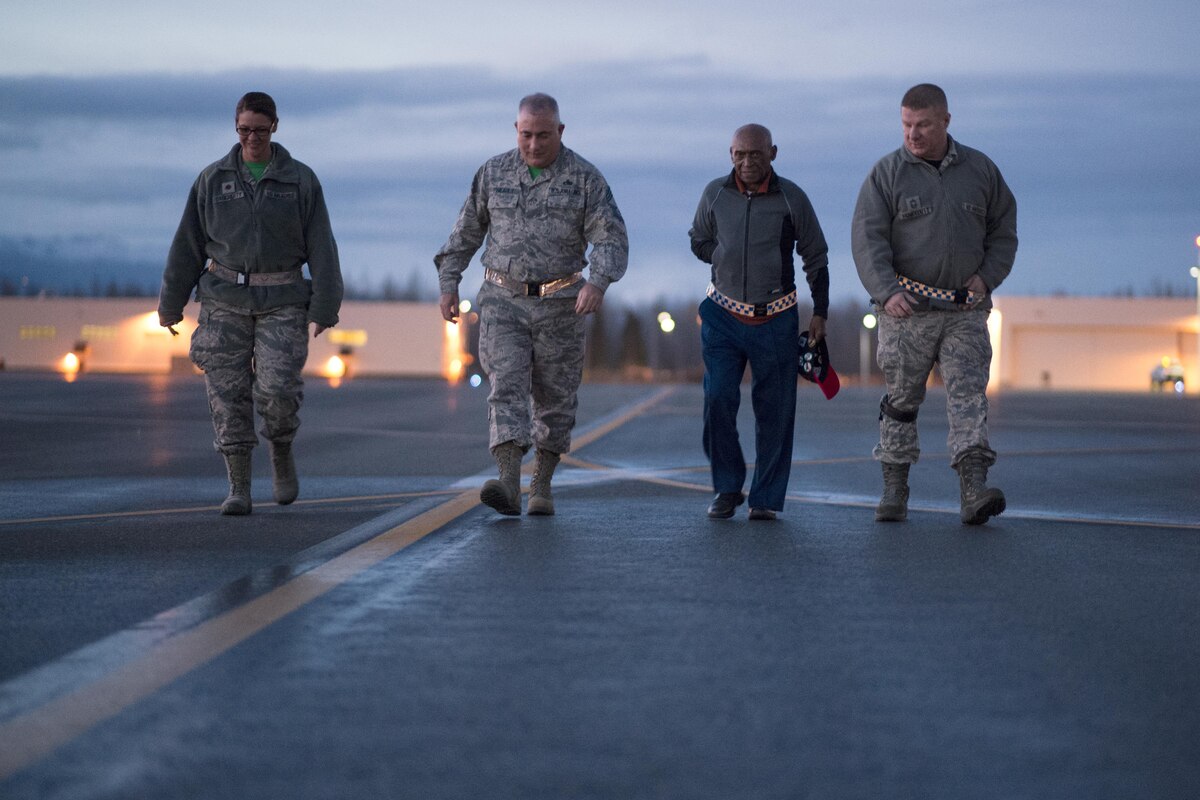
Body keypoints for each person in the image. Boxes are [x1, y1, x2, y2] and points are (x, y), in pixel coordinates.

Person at [434, 93, 628, 516]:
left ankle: (541, 481)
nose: (534, 144)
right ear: (515, 131)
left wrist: (597, 282)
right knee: (506, 385)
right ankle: (507, 480)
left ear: (560, 131)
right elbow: (465, 231)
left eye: (543, 135)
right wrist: (449, 282)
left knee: (555, 401)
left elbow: (611, 236)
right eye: (526, 135)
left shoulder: (584, 179)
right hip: (503, 299)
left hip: (562, 305)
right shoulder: (493, 173)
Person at [158, 91, 343, 516]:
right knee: (227, 393)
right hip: (224, 298)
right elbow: (187, 244)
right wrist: (171, 302)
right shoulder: (212, 180)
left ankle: (280, 446)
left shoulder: (300, 180)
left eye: (260, 130)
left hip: (283, 298)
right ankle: (238, 485)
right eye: (244, 130)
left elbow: (323, 247)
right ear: (235, 128)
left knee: (277, 388)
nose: (252, 138)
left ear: (275, 126)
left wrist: (325, 305)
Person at [851, 83, 1017, 525]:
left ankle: (974, 491)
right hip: (908, 313)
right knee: (902, 402)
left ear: (945, 121)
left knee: (968, 397)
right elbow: (867, 241)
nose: (913, 134)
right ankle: (894, 489)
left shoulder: (981, 171)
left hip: (964, 312)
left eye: (923, 124)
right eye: (906, 124)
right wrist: (887, 291)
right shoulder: (886, 175)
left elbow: (1003, 232)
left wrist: (986, 277)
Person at [689, 124, 830, 521]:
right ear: (730, 154)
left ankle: (765, 497)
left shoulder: (792, 199)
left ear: (773, 153)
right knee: (718, 397)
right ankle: (727, 487)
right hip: (722, 316)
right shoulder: (715, 194)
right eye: (739, 154)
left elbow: (816, 256)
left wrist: (820, 311)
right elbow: (698, 240)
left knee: (776, 411)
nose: (747, 162)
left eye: (756, 154)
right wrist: (725, 255)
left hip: (776, 318)